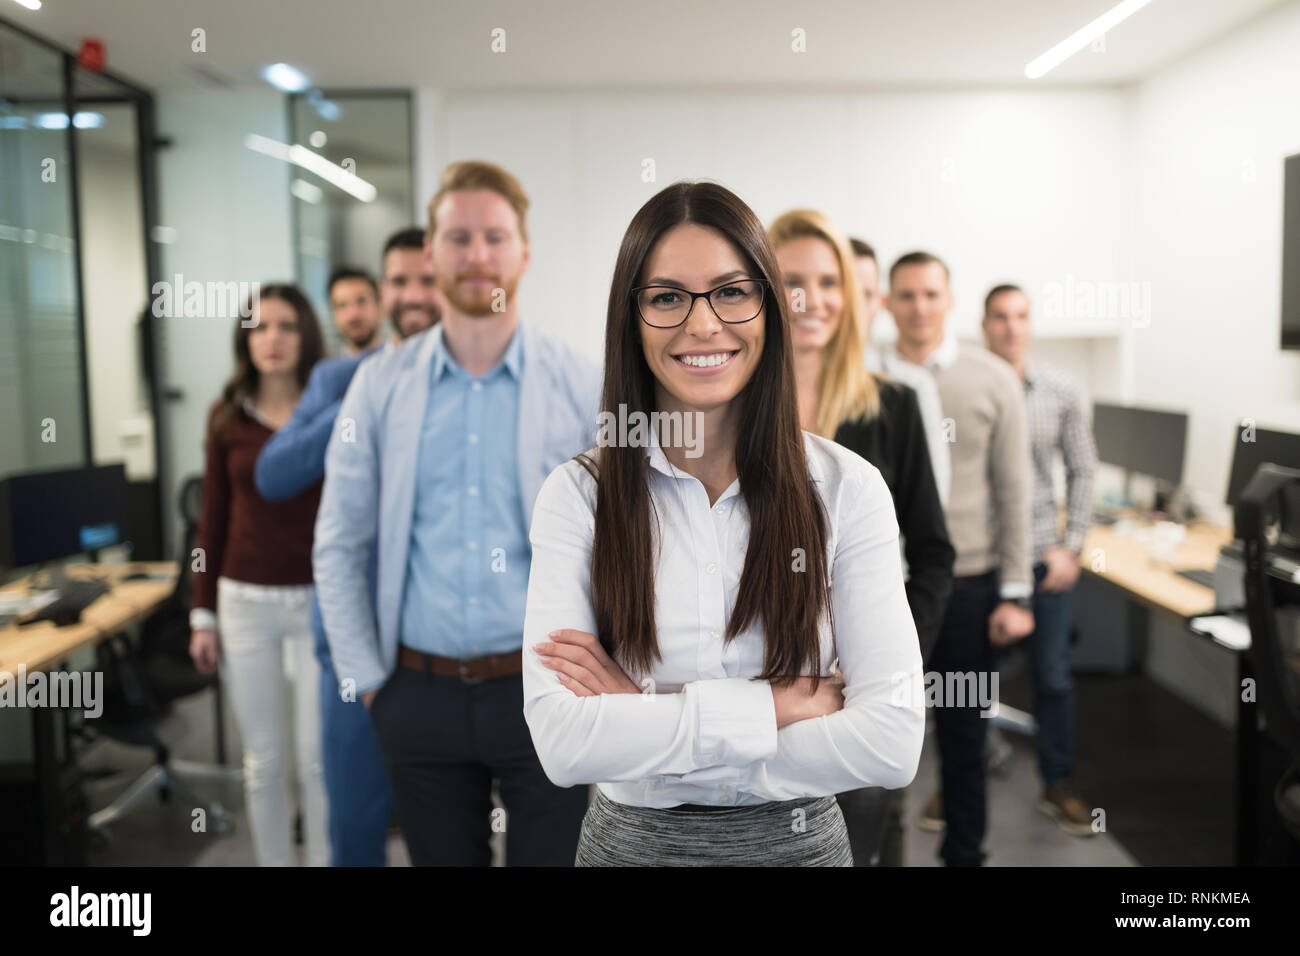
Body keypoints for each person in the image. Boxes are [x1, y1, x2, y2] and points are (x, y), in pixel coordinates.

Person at [521, 181, 925, 866]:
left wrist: (646, 720)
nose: (703, 325)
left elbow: (890, 741)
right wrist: (779, 705)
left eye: (732, 292)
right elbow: (564, 744)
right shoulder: (577, 496)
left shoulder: (848, 489)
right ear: (632, 316)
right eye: (667, 296)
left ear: (768, 307)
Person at [313, 160, 600, 866]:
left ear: (523, 253)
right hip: (417, 696)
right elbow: (338, 543)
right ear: (432, 254)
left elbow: (625, 538)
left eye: (495, 237)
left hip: (545, 689)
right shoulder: (379, 386)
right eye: (459, 237)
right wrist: (372, 684)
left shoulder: (583, 382)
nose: (477, 256)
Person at [771, 209, 954, 866]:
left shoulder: (893, 407)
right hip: (761, 696)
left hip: (860, 700)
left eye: (828, 281)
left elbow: (934, 554)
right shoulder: (726, 410)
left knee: (860, 849)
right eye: (792, 279)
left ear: (850, 296)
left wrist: (893, 670)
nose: (811, 299)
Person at [253, 227, 441, 866]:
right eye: (400, 281)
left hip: (444, 650)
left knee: (445, 832)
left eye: (426, 278)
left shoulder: (473, 378)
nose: (413, 293)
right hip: (353, 647)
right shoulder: (339, 378)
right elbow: (274, 473)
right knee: (355, 828)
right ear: (384, 291)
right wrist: (368, 396)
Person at [884, 251, 1034, 866]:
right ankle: (877, 852)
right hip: (886, 585)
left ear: (948, 301)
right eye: (907, 295)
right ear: (889, 303)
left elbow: (1014, 490)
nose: (919, 307)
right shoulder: (863, 377)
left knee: (964, 730)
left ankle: (964, 854)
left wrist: (1016, 591)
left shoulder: (991, 378)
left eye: (930, 295)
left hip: (969, 585)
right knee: (877, 731)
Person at [188, 284, 327, 866]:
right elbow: (212, 520)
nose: (273, 339)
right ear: (246, 338)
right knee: (264, 761)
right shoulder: (226, 416)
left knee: (317, 757)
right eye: (261, 326)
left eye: (286, 326)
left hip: (319, 602)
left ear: (305, 336)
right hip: (244, 603)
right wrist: (203, 614)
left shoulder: (327, 409)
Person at [981, 283, 1098, 836]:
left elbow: (1082, 469)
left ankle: (1057, 783)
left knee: (1052, 677)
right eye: (1000, 317)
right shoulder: (962, 387)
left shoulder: (1060, 390)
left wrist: (1070, 547)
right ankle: (957, 785)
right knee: (962, 680)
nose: (1010, 327)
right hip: (978, 559)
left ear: (1030, 325)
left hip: (1040, 562)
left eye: (1020, 317)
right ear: (984, 325)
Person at [850, 237, 950, 507]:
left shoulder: (910, 387)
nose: (853, 307)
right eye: (845, 291)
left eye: (865, 295)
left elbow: (929, 506)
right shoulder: (782, 384)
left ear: (880, 302)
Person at [327, 265, 383, 354]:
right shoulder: (326, 367)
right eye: (342, 305)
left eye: (361, 301)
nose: (353, 314)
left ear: (380, 306)